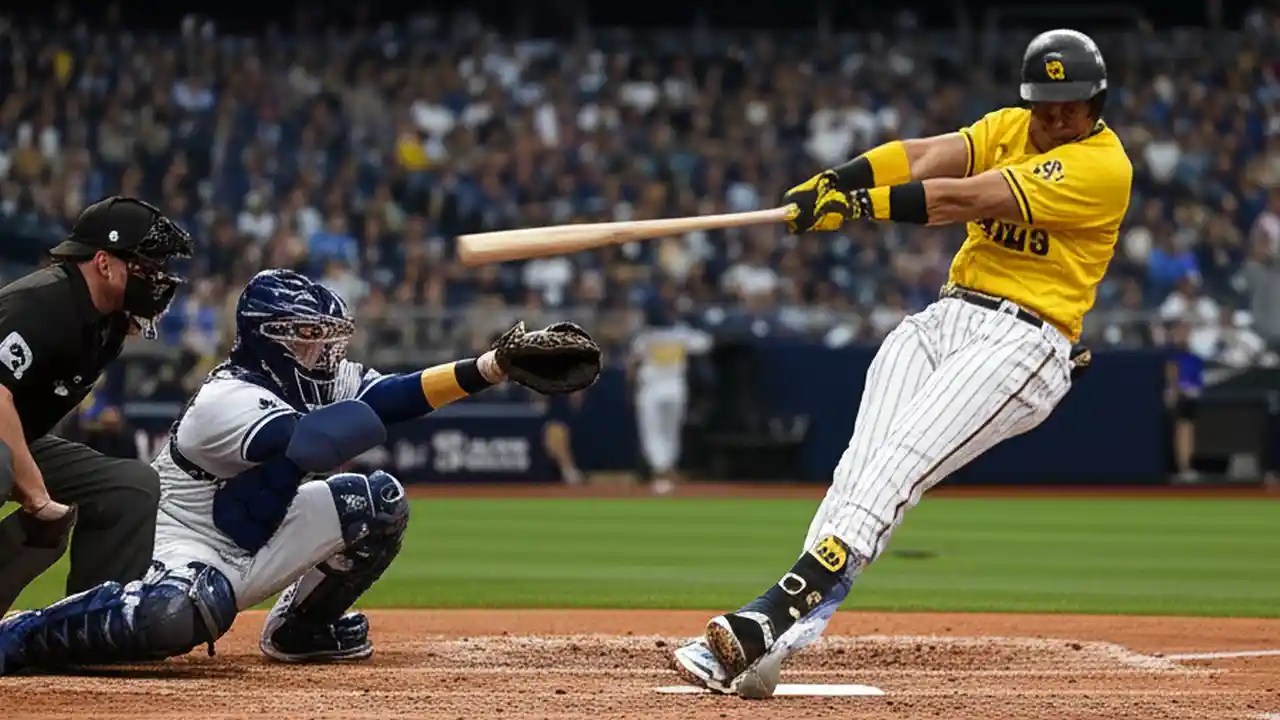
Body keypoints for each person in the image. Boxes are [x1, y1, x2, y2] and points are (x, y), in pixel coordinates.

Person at [673, 28, 1126, 697]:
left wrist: (853, 206)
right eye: (1046, 104)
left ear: (1097, 103)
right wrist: (837, 179)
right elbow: (920, 157)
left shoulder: (1103, 166)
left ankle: (764, 618)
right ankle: (776, 647)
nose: (1057, 117)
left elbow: (964, 198)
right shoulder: (1008, 126)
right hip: (945, 319)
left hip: (1025, 342)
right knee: (858, 474)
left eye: (1072, 105)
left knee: (896, 468)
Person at [0, 269, 600, 673]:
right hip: (187, 544)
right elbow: (312, 441)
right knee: (170, 617)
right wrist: (373, 410)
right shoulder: (225, 399)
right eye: (308, 337)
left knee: (378, 504)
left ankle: (301, 631)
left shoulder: (312, 375)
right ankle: (19, 635)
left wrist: (491, 365)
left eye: (326, 337)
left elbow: (394, 392)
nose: (324, 350)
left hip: (259, 534)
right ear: (270, 340)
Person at [0, 196, 193, 616]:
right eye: (145, 265)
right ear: (104, 262)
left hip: (21, 440)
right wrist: (35, 494)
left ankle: (88, 630)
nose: (157, 277)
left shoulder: (109, 322)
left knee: (132, 487)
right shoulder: (41, 304)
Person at [626, 300, 712, 495]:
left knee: (653, 431)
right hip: (675, 389)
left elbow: (632, 363)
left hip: (652, 390)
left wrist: (630, 386)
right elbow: (706, 343)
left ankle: (661, 471)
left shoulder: (645, 338)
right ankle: (668, 469)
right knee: (670, 432)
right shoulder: (681, 333)